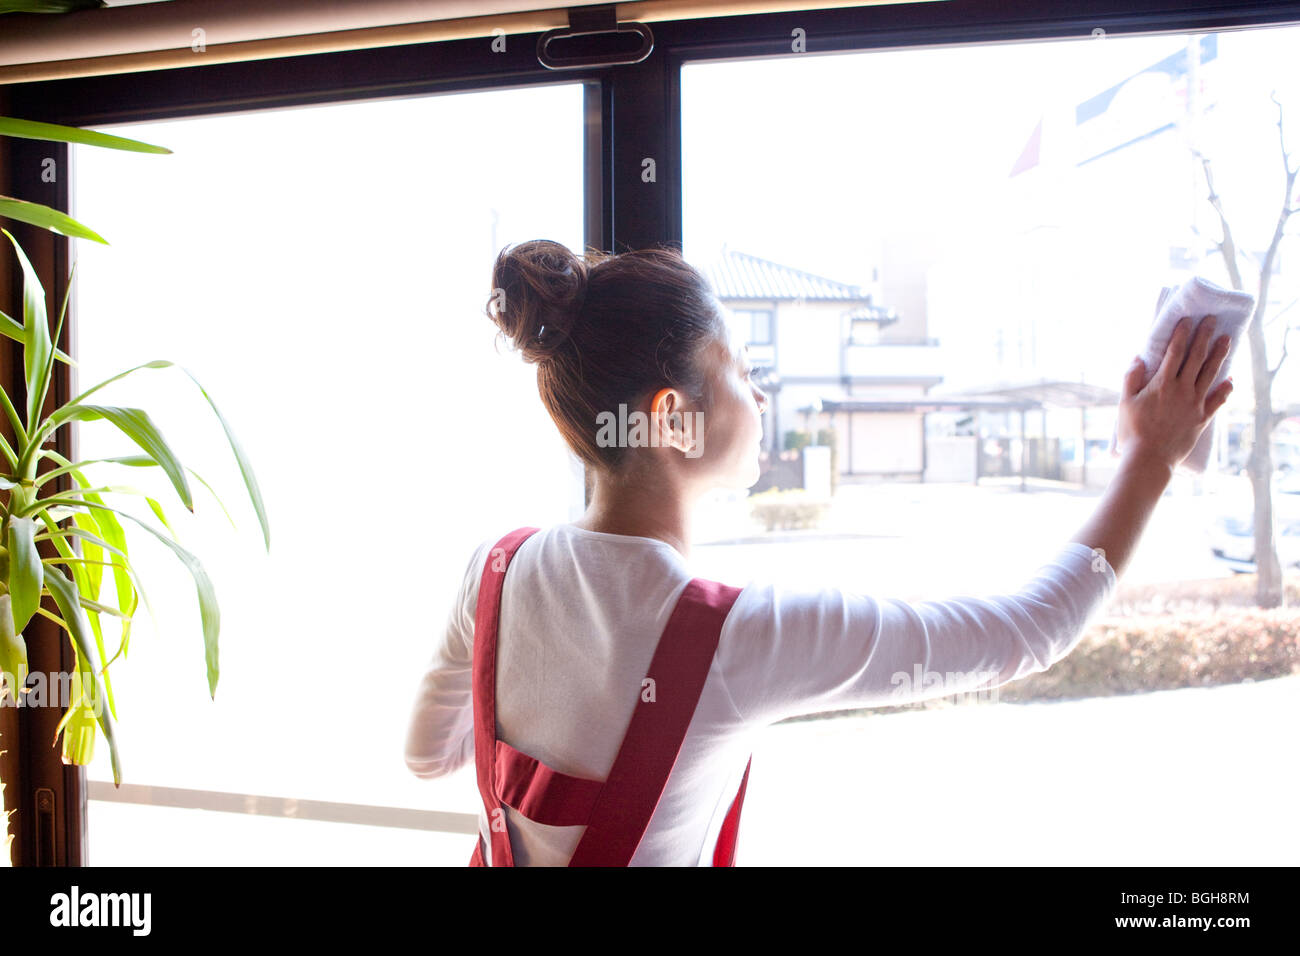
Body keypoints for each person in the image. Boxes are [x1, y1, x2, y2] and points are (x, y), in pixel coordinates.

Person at [404, 239, 1235, 866]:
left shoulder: (496, 568)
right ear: (671, 416)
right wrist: (1149, 459)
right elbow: (1029, 631)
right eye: (744, 365)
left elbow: (427, 755)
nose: (762, 393)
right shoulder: (743, 639)